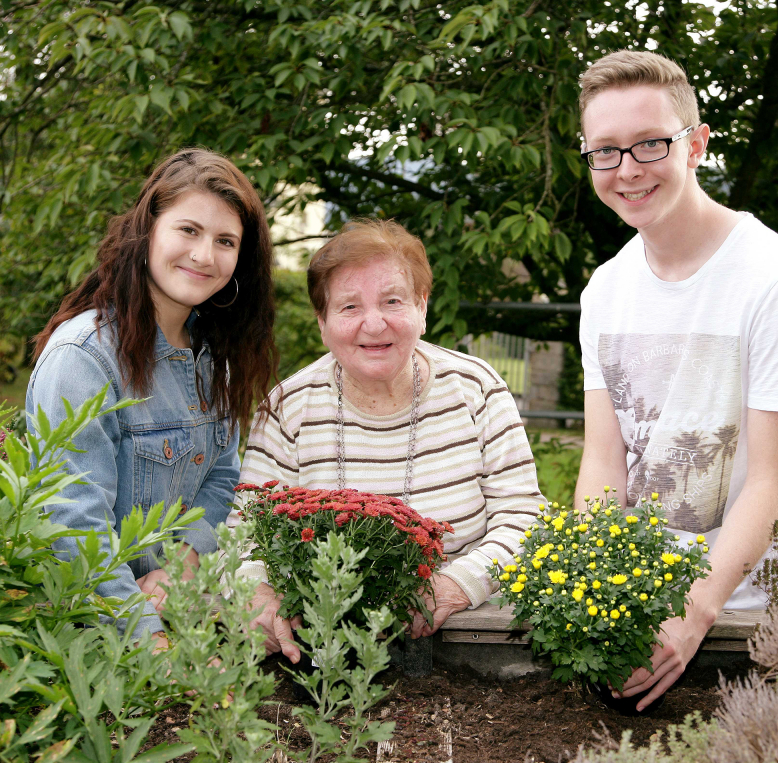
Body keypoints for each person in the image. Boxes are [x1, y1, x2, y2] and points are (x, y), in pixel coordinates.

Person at [573, 51, 778, 709]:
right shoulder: (605, 289)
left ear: (696, 145)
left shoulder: (774, 280)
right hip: (632, 614)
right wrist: (595, 588)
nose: (627, 170)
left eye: (649, 143)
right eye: (605, 151)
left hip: (742, 624)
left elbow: (774, 479)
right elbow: (605, 456)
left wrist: (694, 611)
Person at [229, 218, 545, 664]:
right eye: (349, 307)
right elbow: (246, 531)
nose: (373, 324)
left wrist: (455, 586)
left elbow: (524, 515)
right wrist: (257, 591)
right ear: (322, 322)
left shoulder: (477, 389)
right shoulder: (287, 408)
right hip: (317, 646)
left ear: (422, 306)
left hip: (469, 641)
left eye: (392, 301)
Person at [27, 149, 277, 644]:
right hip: (90, 633)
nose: (205, 255)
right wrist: (151, 643)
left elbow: (223, 478)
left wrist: (179, 566)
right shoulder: (85, 358)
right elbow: (72, 526)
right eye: (188, 230)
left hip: (175, 606)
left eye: (225, 241)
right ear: (147, 233)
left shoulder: (214, 357)